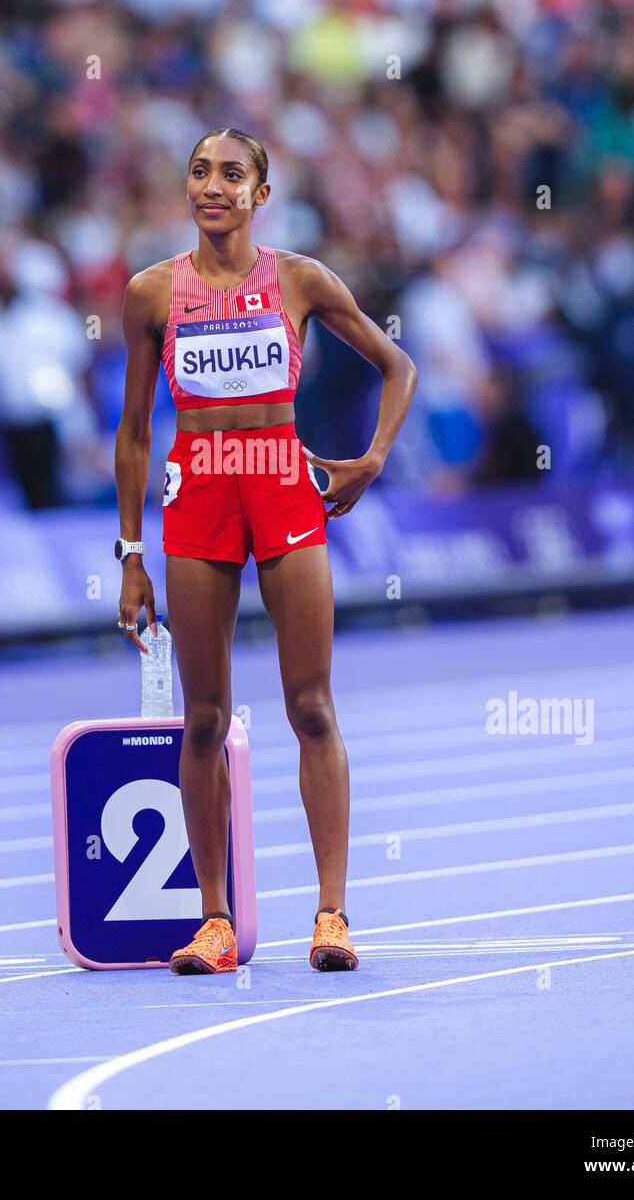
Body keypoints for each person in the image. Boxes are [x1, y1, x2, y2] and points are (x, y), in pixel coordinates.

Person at [114, 129, 417, 973]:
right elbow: (135, 433)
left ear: (260, 194)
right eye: (200, 172)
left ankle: (331, 915)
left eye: (231, 175)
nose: (212, 186)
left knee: (311, 706)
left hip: (282, 488)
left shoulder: (299, 279)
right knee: (203, 717)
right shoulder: (149, 293)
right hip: (199, 495)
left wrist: (372, 457)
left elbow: (398, 367)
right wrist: (130, 553)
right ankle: (214, 922)